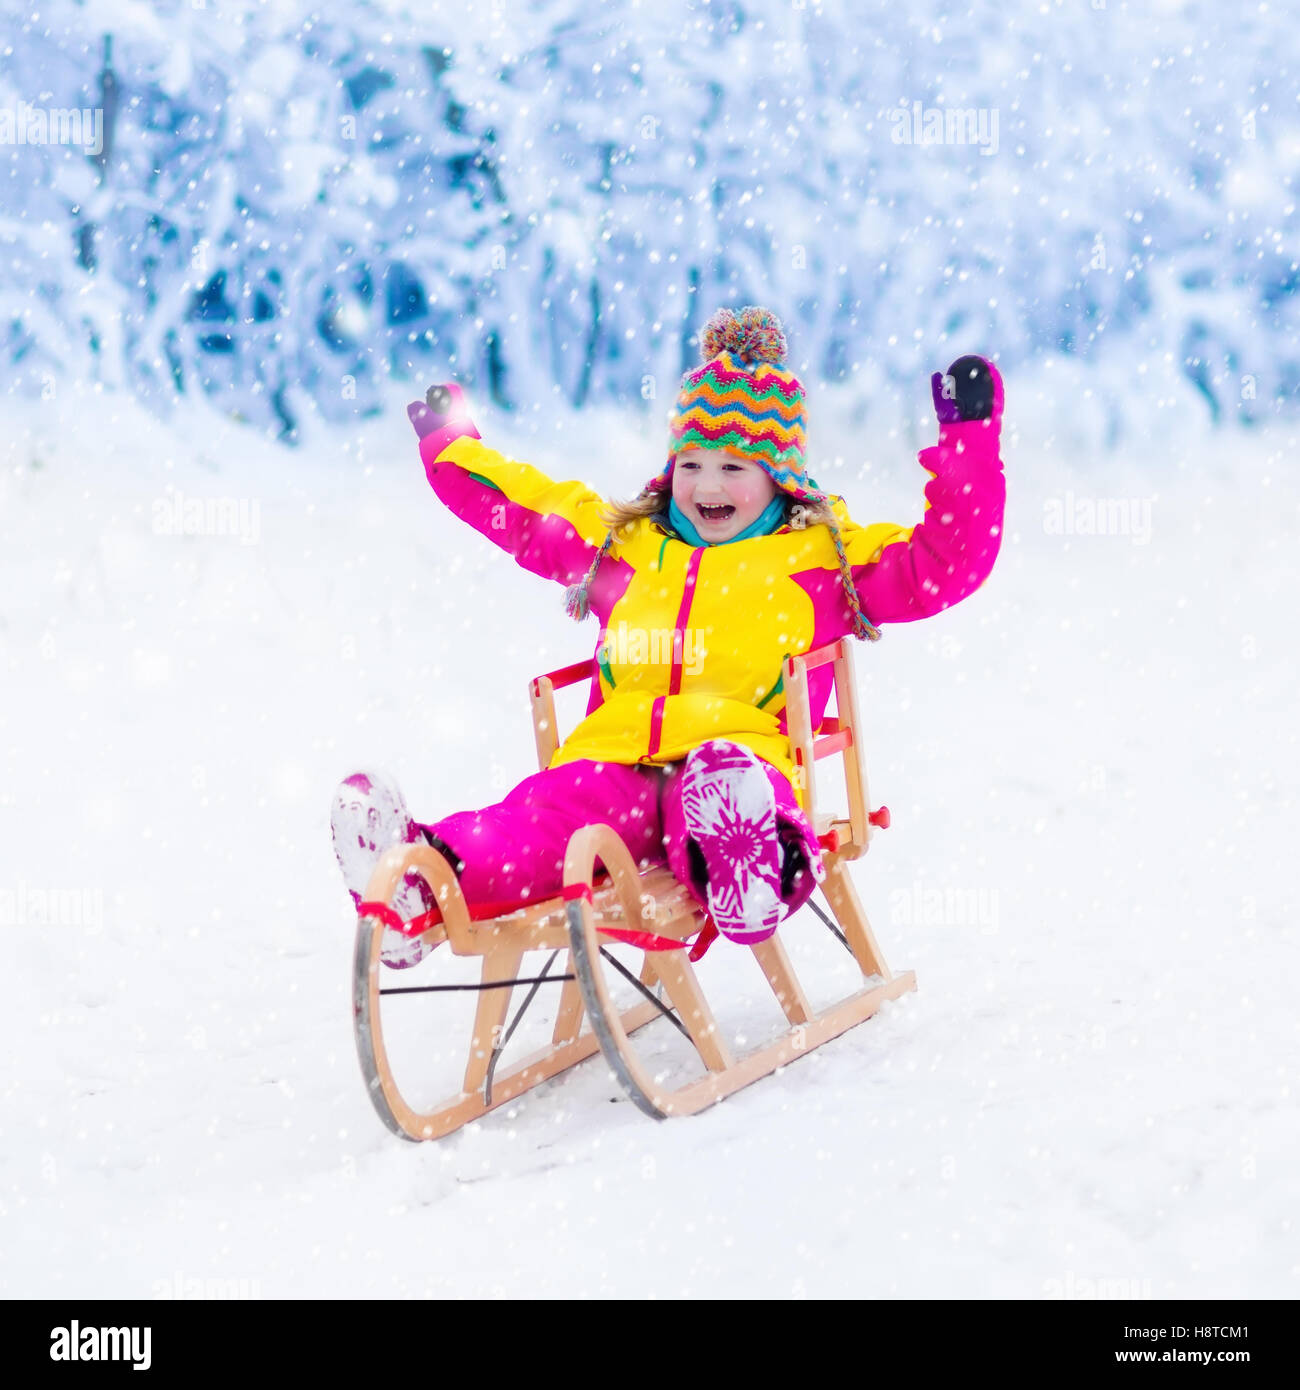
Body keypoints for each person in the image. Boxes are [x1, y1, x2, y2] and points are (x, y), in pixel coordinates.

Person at [331, 305, 1006, 967]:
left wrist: (968, 439)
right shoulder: (623, 547)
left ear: (781, 477)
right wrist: (450, 445)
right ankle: (418, 884)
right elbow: (523, 506)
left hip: (739, 753)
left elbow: (942, 563)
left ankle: (747, 867)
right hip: (614, 762)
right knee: (537, 822)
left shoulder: (819, 561)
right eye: (692, 464)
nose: (707, 486)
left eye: (734, 468)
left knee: (723, 784)